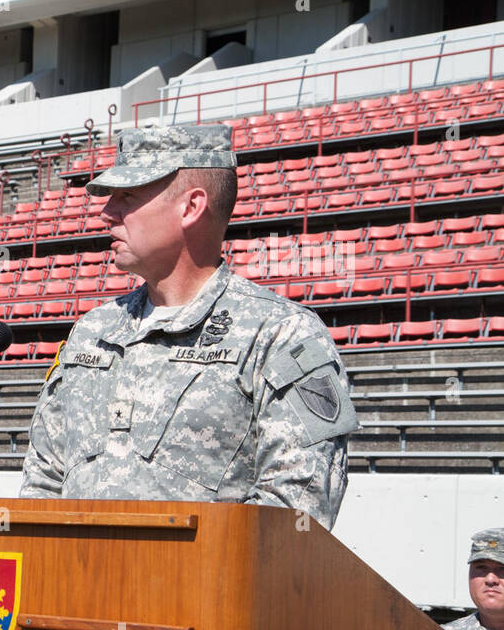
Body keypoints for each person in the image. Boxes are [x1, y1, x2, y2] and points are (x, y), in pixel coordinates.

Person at [20, 124, 357, 530]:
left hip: (201, 593)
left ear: (191, 207)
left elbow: (295, 511)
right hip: (77, 589)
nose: (107, 212)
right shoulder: (92, 333)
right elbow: (42, 482)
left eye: (128, 195)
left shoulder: (278, 335)